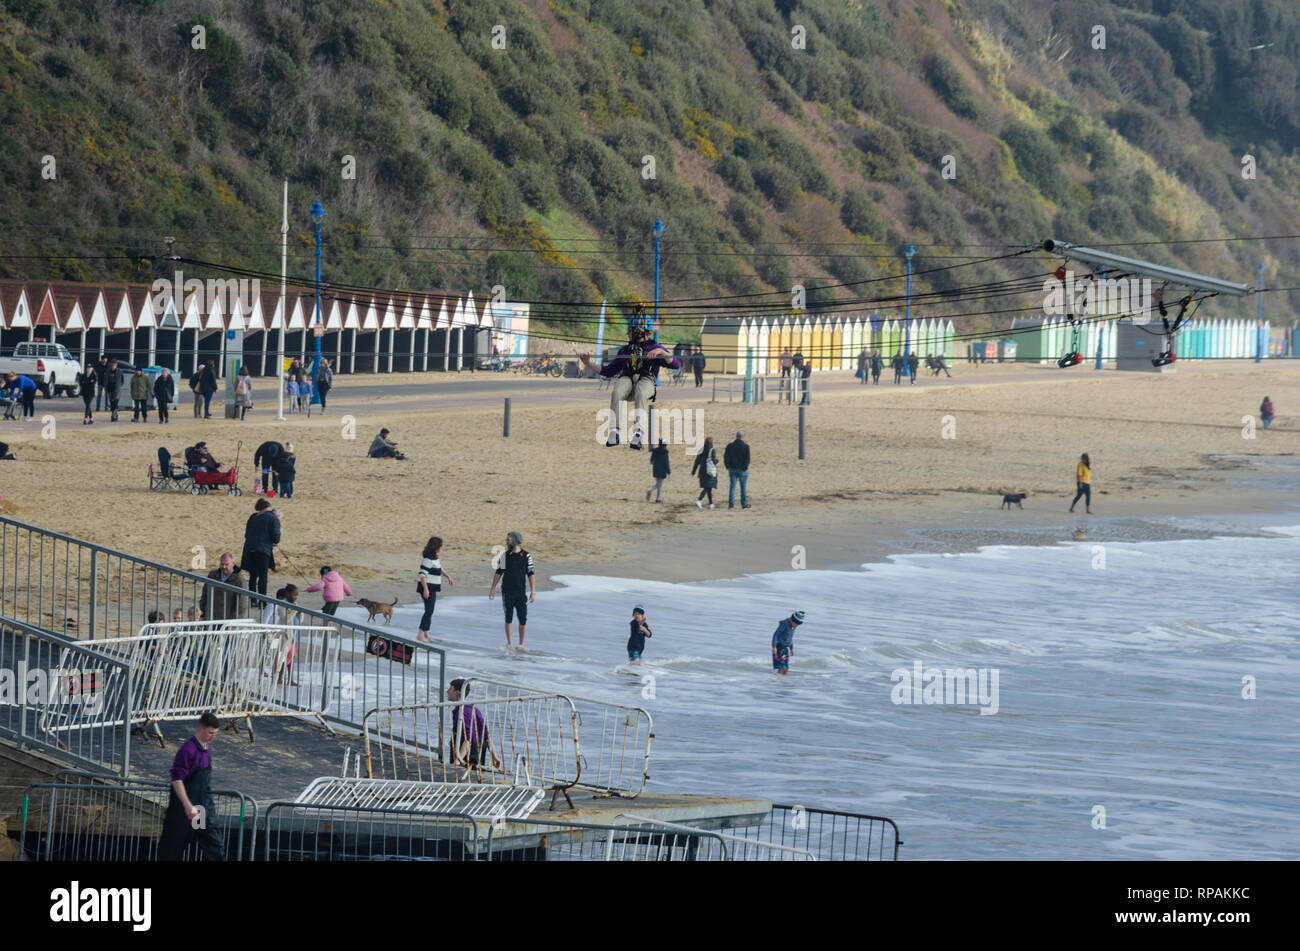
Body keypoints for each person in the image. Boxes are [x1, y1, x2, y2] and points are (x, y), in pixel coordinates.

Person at [577, 306, 680, 450]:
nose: (627, 333)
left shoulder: (655, 348)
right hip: (628, 378)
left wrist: (662, 352)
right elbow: (607, 371)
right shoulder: (624, 350)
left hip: (646, 380)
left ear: (639, 331)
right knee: (617, 391)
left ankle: (639, 433)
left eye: (629, 330)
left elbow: (675, 364)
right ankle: (614, 431)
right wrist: (588, 363)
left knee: (641, 393)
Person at [157, 712, 225, 861]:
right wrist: (188, 806)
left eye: (215, 734)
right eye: (210, 733)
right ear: (201, 728)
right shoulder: (188, 749)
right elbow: (176, 779)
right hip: (184, 811)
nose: (213, 737)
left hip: (200, 809)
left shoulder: (208, 750)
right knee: (172, 849)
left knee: (214, 845)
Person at [488, 531, 535, 650]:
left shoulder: (526, 556)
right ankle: (509, 644)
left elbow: (531, 574)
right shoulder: (505, 556)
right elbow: (498, 573)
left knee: (522, 619)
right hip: (507, 592)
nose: (506, 542)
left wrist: (533, 592)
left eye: (508, 540)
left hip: (520, 592)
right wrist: (492, 589)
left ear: (515, 541)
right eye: (507, 539)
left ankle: (521, 644)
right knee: (508, 617)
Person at [446, 679, 502, 771]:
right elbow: (486, 734)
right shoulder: (473, 709)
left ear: (458, 692)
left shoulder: (462, 712)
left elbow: (468, 740)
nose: (447, 691)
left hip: (467, 756)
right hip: (477, 752)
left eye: (450, 688)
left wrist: (458, 759)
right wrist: (494, 756)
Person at [241, 498, 280, 602]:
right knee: (263, 576)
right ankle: (262, 601)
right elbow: (276, 537)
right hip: (263, 551)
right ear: (268, 508)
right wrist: (273, 542)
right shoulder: (273, 518)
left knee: (253, 576)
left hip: (250, 549)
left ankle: (253, 600)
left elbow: (246, 535)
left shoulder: (253, 517)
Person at [416, 536, 454, 643]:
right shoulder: (428, 559)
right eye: (441, 546)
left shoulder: (435, 557)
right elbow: (422, 574)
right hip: (427, 588)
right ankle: (420, 634)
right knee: (429, 610)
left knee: (430, 610)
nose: (442, 547)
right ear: (436, 547)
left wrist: (448, 576)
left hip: (431, 588)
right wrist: (426, 589)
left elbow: (439, 568)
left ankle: (426, 633)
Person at [205, 553, 245, 622]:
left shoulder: (239, 579)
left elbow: (242, 602)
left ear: (233, 564)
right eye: (222, 564)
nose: (223, 567)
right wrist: (203, 612)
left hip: (228, 620)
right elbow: (205, 593)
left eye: (226, 564)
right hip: (211, 616)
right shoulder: (213, 575)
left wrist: (236, 620)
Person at [771, 610, 804, 676]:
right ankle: (777, 681)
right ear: (792, 620)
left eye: (798, 624)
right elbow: (776, 635)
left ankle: (784, 682)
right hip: (779, 647)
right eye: (796, 624)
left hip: (785, 649)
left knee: (786, 668)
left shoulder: (793, 627)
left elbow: (790, 638)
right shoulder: (785, 624)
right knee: (781, 667)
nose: (797, 626)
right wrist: (774, 646)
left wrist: (791, 649)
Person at [724, 430, 751, 510]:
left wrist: (727, 466)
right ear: (742, 437)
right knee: (743, 487)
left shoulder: (730, 446)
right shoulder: (746, 446)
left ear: (736, 436)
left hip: (732, 469)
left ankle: (731, 505)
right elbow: (747, 459)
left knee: (732, 487)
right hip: (742, 470)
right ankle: (744, 504)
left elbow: (726, 457)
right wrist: (744, 467)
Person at [691, 436, 718, 509]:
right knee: (707, 487)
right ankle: (699, 499)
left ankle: (711, 503)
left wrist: (693, 471)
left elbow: (697, 461)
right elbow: (713, 460)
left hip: (702, 470)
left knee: (708, 487)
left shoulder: (701, 450)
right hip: (709, 471)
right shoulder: (712, 450)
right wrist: (717, 461)